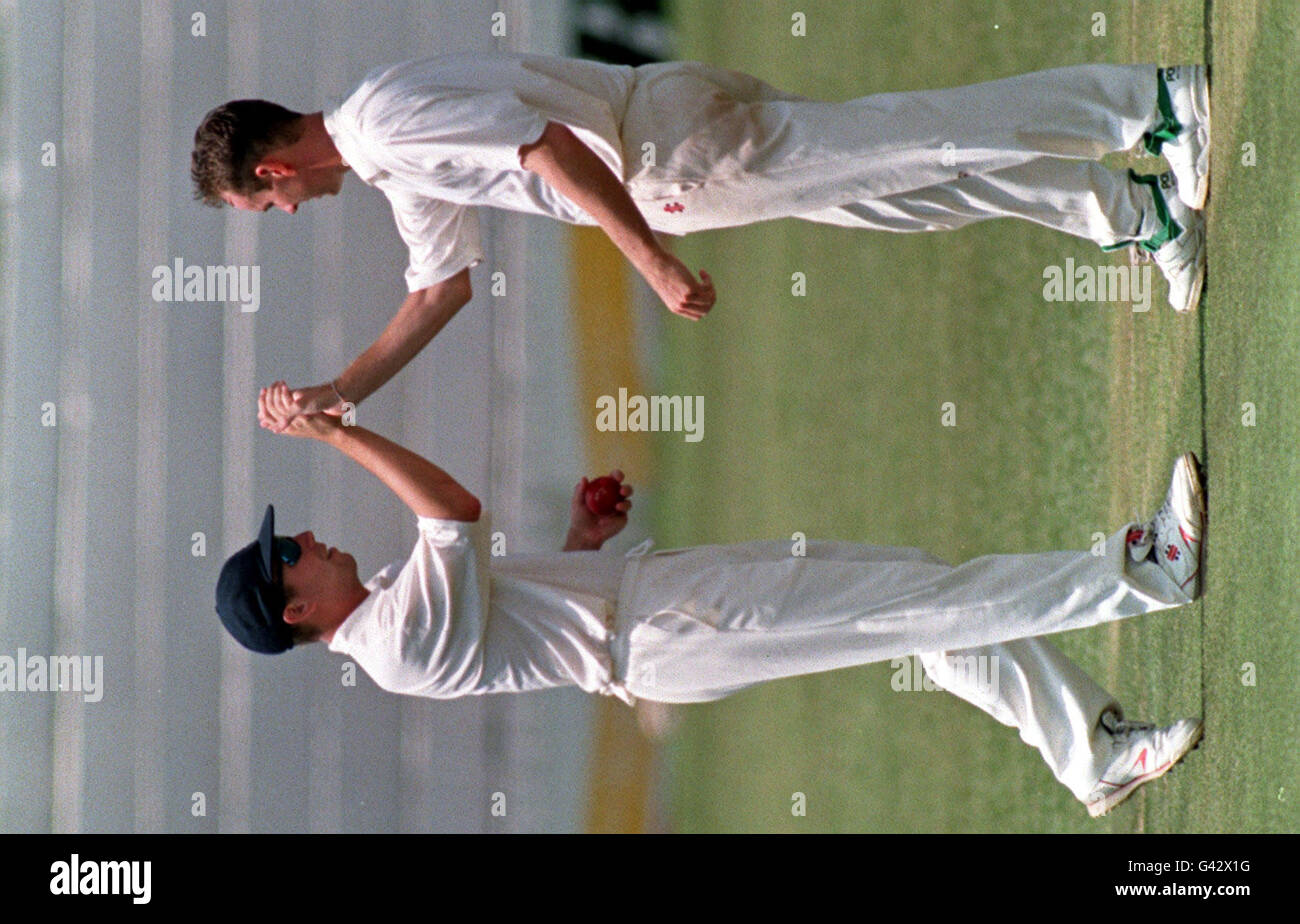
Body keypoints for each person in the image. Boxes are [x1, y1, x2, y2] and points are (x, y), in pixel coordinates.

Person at [215, 382, 1207, 818]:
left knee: (919, 604)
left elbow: (518, 619)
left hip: (653, 606)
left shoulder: (390, 607)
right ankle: (1150, 570)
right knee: (918, 603)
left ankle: (1093, 755)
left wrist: (581, 546)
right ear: (296, 608)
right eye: (290, 555)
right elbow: (454, 512)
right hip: (668, 629)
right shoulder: (389, 637)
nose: (308, 539)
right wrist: (339, 430)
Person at [191, 57, 1210, 430]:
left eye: (262, 209)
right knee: (908, 189)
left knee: (919, 140)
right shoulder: (382, 140)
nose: (280, 220)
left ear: (273, 173)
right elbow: (439, 289)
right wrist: (343, 391)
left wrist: (652, 261)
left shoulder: (386, 131)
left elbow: (548, 151)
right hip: (668, 116)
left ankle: (1153, 101)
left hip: (673, 164)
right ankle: (1135, 214)